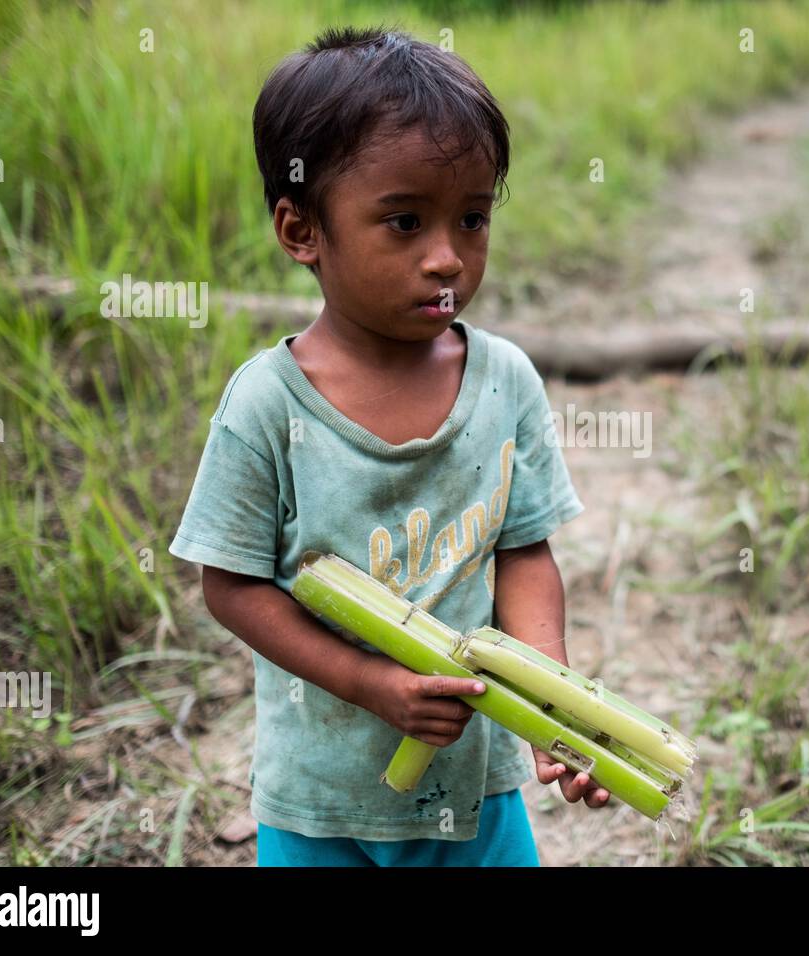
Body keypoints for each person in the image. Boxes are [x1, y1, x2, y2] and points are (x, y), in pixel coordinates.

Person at [168, 25, 608, 867]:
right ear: (302, 231)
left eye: (472, 219)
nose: (447, 257)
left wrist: (554, 704)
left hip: (477, 792)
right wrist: (373, 684)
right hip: (321, 802)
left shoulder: (505, 380)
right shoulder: (266, 405)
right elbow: (230, 587)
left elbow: (523, 552)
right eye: (404, 221)